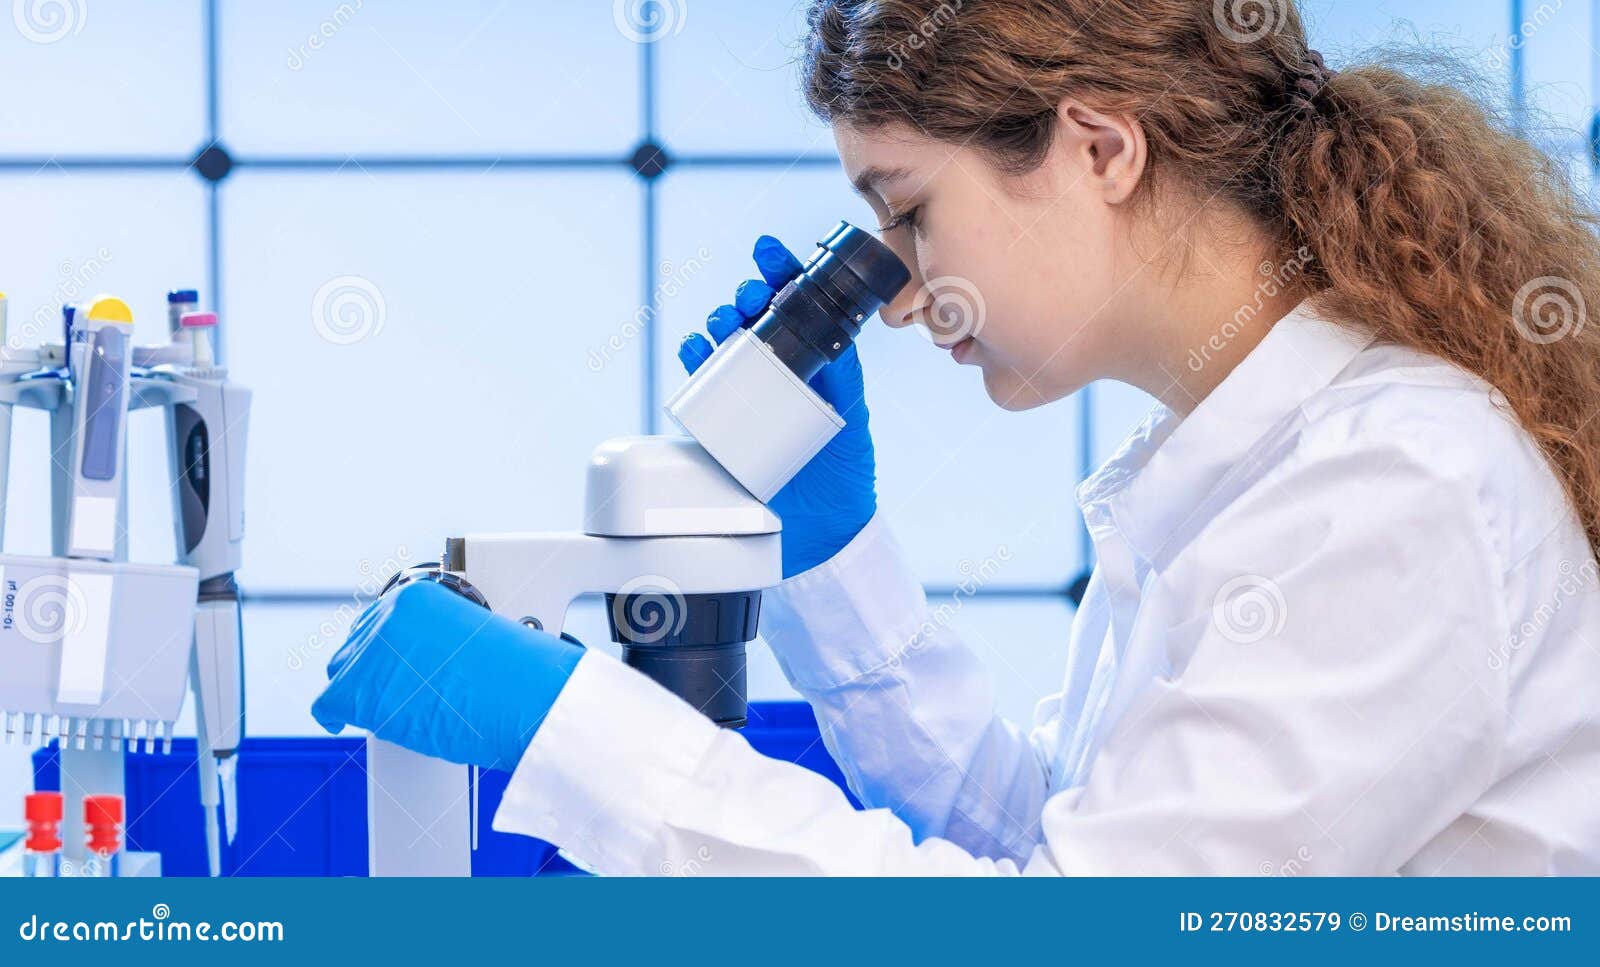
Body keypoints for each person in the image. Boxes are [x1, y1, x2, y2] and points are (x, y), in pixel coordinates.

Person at [312, 0, 1600, 874]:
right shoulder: (1234, 464)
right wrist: (835, 560)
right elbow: (1056, 841)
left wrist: (567, 729)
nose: (902, 289)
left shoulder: (1391, 483)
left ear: (1098, 148)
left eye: (911, 212)